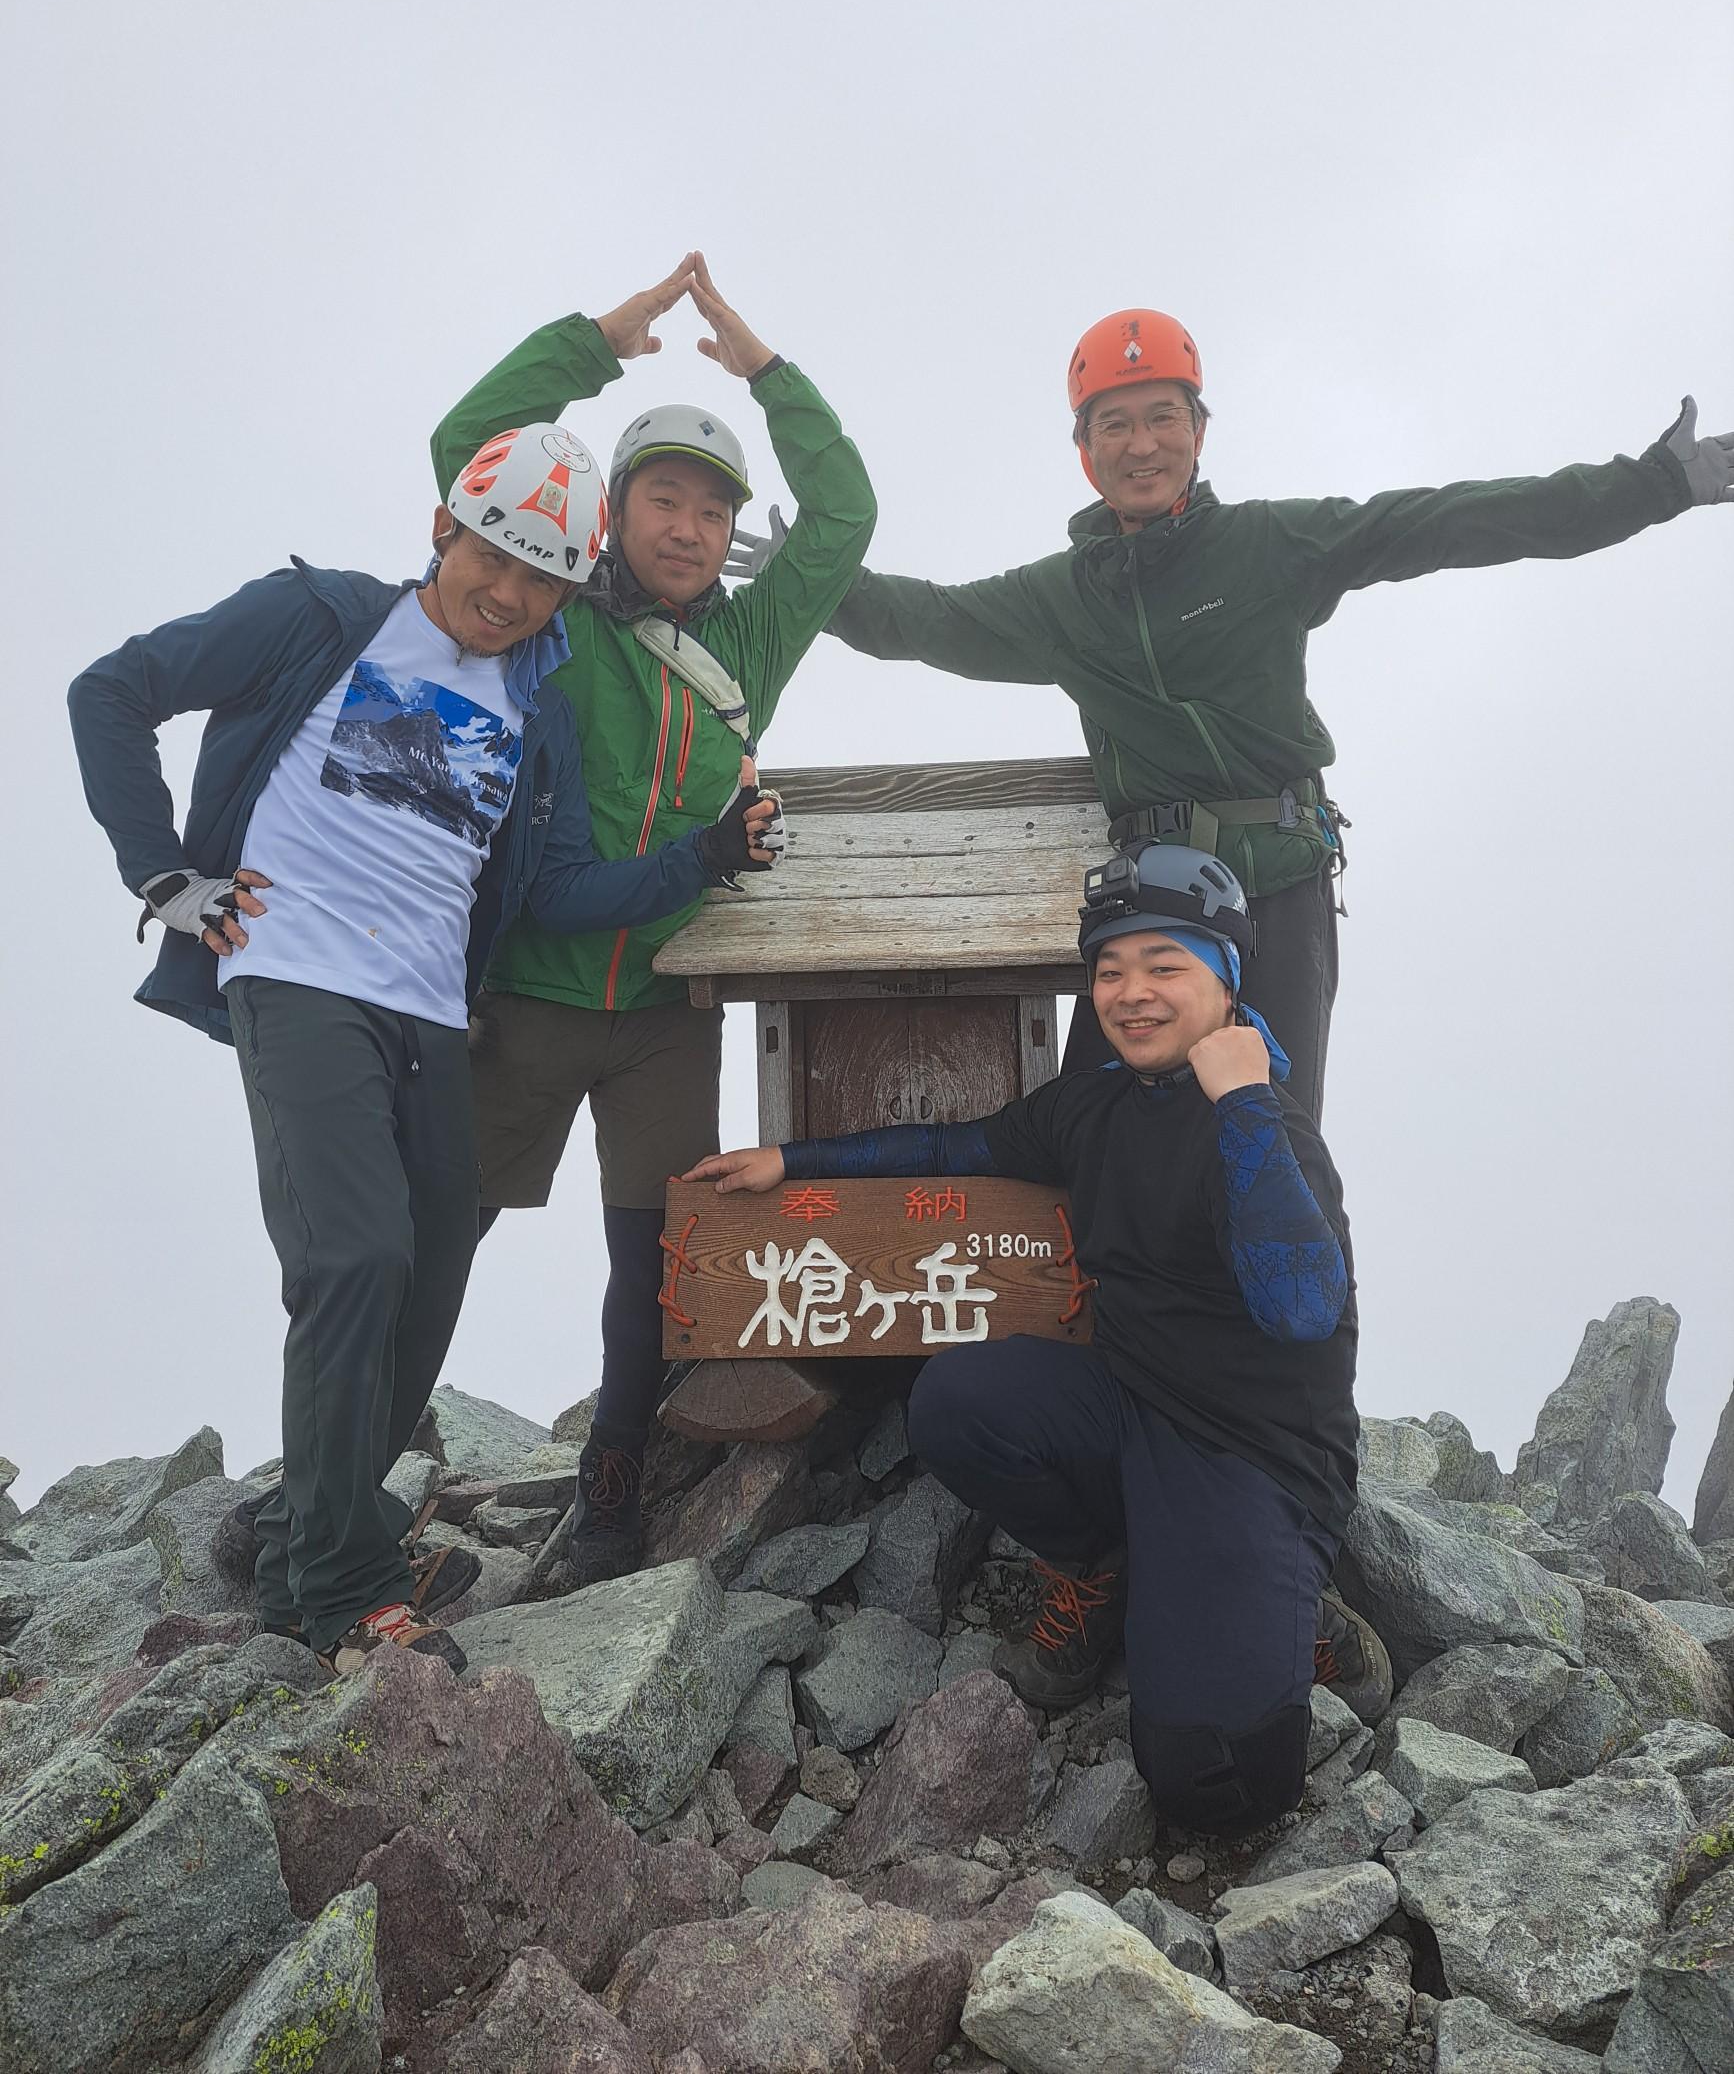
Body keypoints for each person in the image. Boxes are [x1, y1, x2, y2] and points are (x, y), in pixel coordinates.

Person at [68, 417, 776, 1674]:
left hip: (433, 1010)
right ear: (441, 529)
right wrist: (165, 871)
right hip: (294, 974)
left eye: (539, 574)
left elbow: (553, 892)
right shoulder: (321, 619)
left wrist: (703, 856)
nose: (504, 593)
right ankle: (346, 1593)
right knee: (352, 1255)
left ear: (571, 584)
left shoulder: (537, 704)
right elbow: (113, 689)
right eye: (487, 555)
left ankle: (301, 1535)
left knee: (434, 1265)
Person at [820, 310, 1734, 1119]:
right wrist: (814, 583)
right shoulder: (1060, 600)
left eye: (1163, 417)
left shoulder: (1269, 544)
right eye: (1115, 425)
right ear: (1085, 450)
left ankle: (1285, 1318)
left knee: (1274, 1138)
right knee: (1102, 1137)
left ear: (1200, 430)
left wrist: (1651, 486)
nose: (1141, 446)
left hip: (1279, 889)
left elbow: (1447, 522)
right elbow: (926, 620)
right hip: (1155, 903)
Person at [684, 842, 1391, 1839]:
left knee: (1208, 1779)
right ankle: (1101, 1567)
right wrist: (791, 1157)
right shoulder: (1094, 1103)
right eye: (1110, 969)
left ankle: (1302, 1609)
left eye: (1165, 965)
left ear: (1225, 978)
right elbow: (949, 1144)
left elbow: (1302, 1308)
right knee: (959, 1400)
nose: (1131, 992)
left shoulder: (1266, 1127)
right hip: (1133, 1404)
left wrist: (1239, 1100)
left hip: (1256, 1456)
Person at [430, 253, 876, 1588]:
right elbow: (468, 456)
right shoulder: (548, 620)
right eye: (660, 499)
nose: (684, 527)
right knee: (434, 1231)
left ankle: (612, 1487)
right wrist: (593, 343)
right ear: (613, 513)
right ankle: (352, 1469)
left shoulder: (744, 647)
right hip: (526, 991)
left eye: (706, 507)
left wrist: (759, 368)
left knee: (657, 1261)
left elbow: (844, 513)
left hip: (664, 1015)